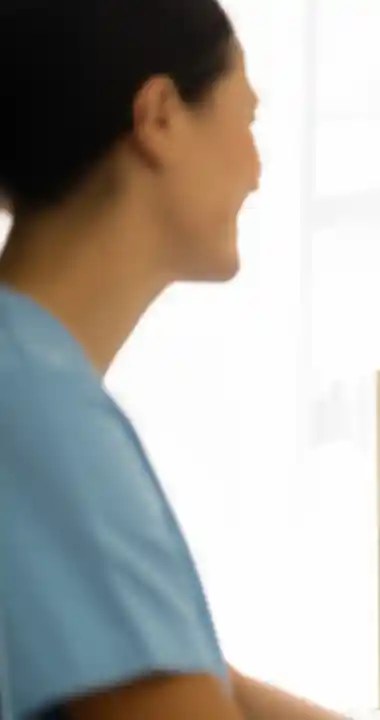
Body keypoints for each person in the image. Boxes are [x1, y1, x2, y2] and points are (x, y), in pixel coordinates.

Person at [0, 2, 344, 718]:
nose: (256, 171)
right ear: (158, 116)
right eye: (247, 120)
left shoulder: (30, 376)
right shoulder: (37, 409)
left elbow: (208, 686)